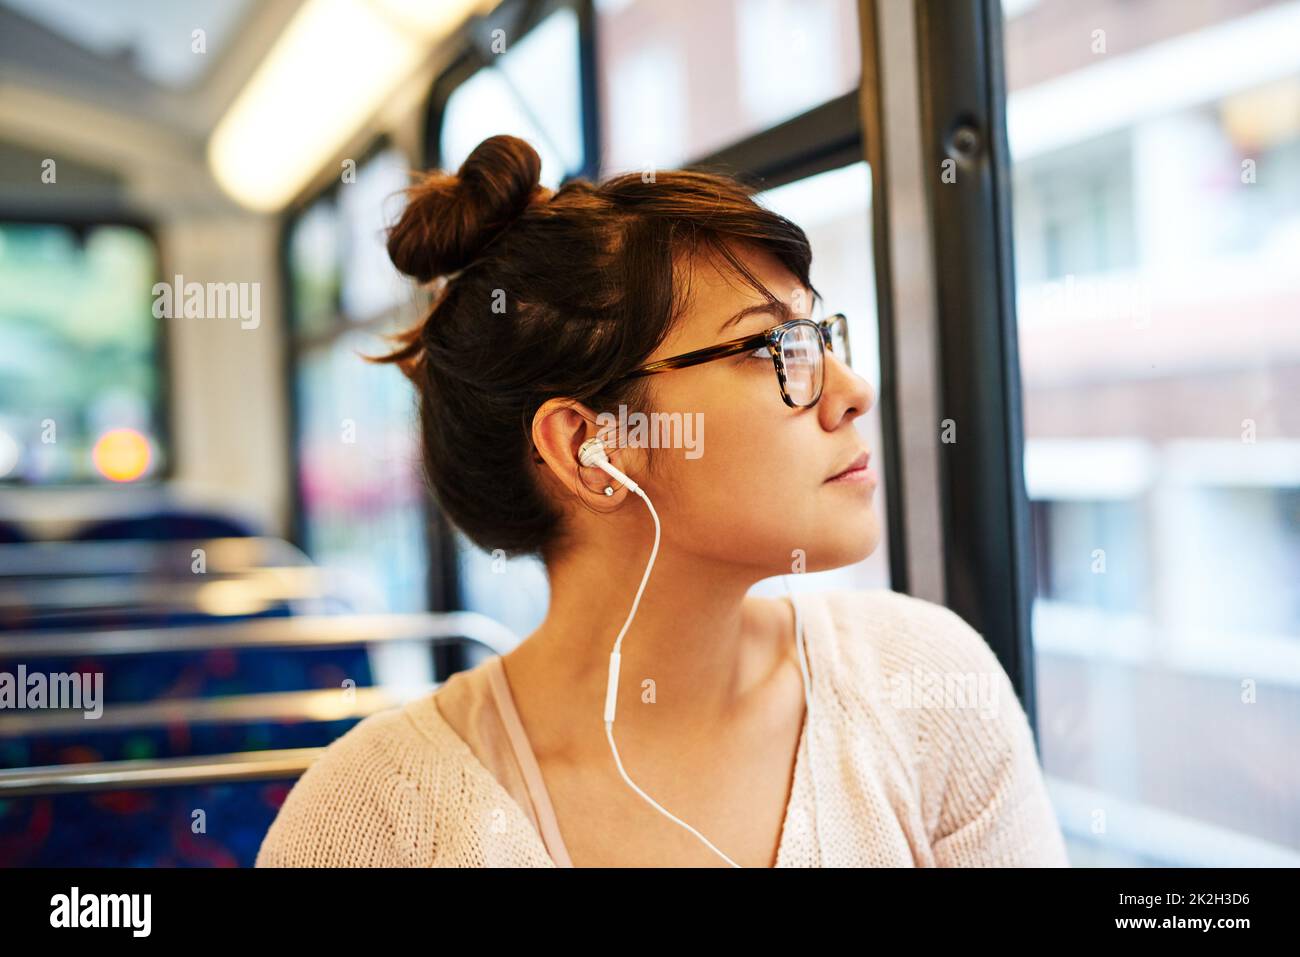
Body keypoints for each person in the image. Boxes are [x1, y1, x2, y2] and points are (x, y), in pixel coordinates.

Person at [256, 134, 1069, 868]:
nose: (853, 391)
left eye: (822, 337)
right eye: (774, 347)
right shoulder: (374, 821)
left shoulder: (923, 684)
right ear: (589, 448)